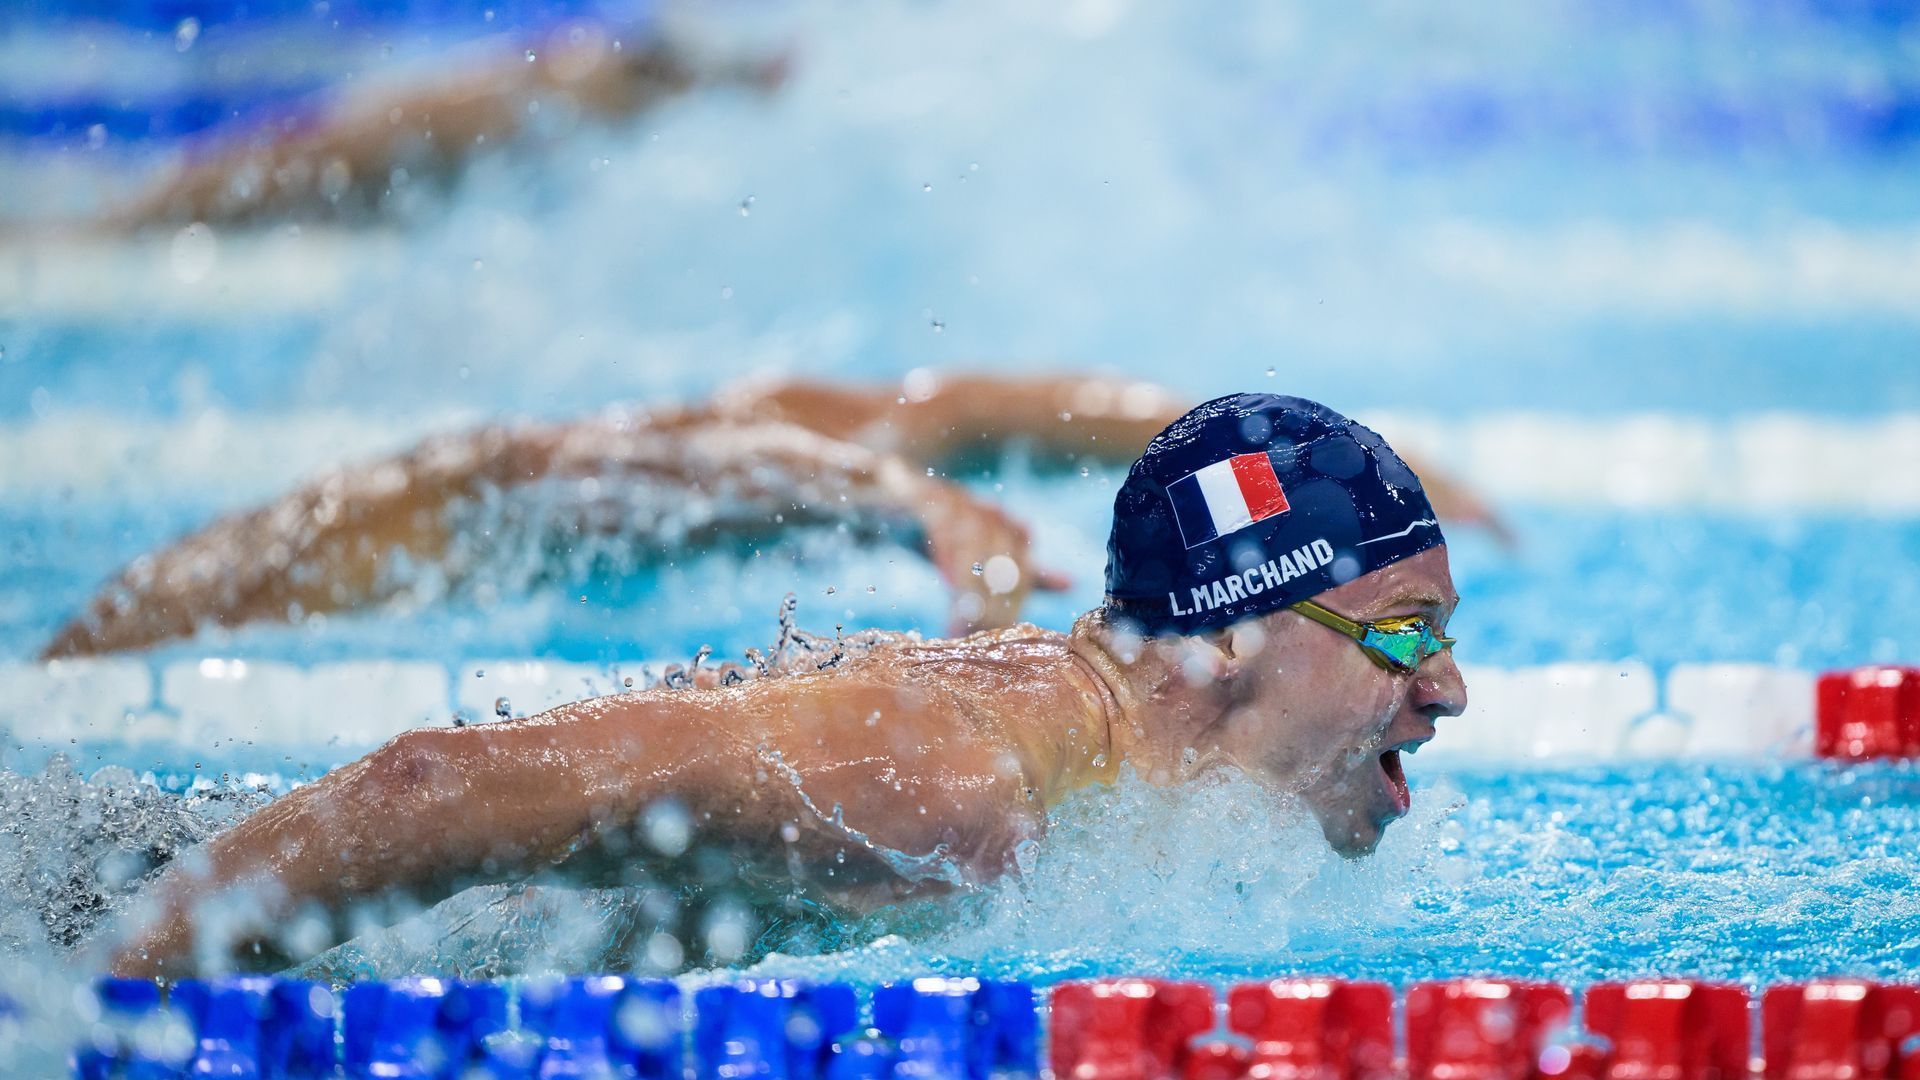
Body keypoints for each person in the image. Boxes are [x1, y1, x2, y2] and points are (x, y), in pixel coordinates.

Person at [106, 392, 1467, 977]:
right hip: (120, 887)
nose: (1449, 690)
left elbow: (976, 400)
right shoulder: (953, 787)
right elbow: (430, 784)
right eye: (1406, 636)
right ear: (1228, 642)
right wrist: (98, 996)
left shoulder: (1090, 734)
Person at [44, 371, 1502, 658]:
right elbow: (541, 467)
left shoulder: (800, 429)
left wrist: (1357, 464)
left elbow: (997, 401)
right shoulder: (594, 468)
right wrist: (905, 503)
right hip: (168, 635)